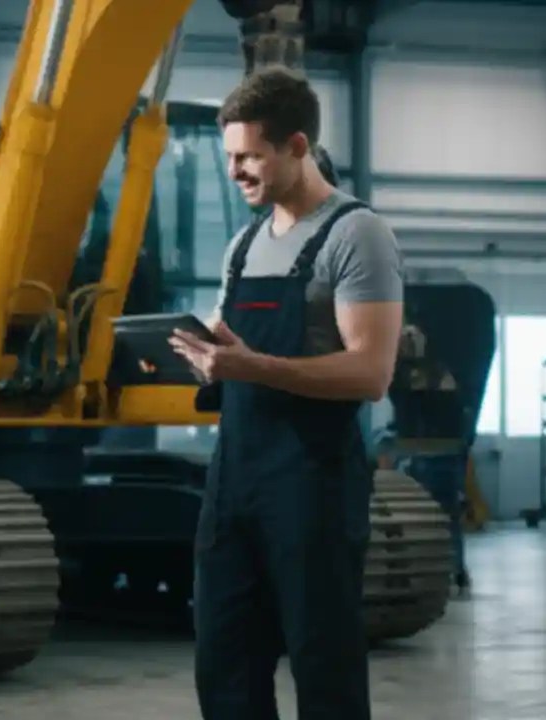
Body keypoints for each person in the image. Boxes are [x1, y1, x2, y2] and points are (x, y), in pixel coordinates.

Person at [169, 66, 403, 720]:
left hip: (313, 482)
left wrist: (250, 366)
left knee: (323, 664)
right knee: (225, 661)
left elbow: (370, 373)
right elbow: (235, 349)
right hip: (234, 478)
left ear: (297, 146)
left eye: (249, 157)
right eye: (230, 158)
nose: (236, 172)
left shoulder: (356, 235)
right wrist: (200, 352)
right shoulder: (243, 245)